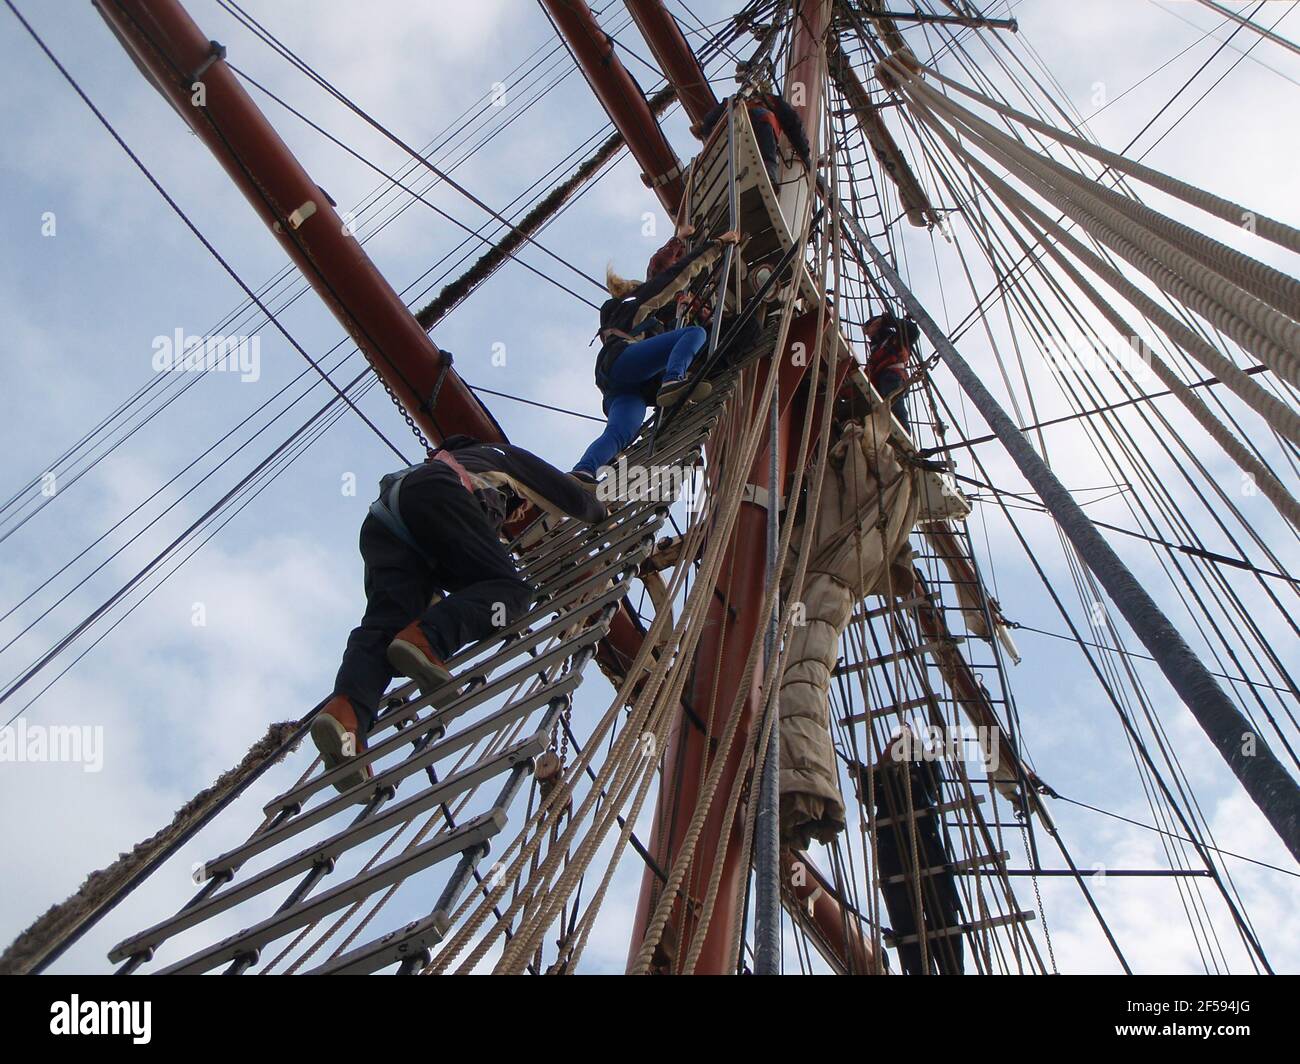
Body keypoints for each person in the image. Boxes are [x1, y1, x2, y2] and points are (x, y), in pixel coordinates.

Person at [315, 436, 607, 792]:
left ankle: (346, 715)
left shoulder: (443, 467)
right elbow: (562, 490)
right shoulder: (500, 455)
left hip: (386, 520)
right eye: (520, 506)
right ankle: (427, 641)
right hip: (436, 495)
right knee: (509, 592)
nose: (520, 513)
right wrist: (599, 510)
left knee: (385, 624)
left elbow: (441, 585)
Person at [570, 229, 741, 485]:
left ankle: (583, 472)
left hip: (625, 388)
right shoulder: (633, 305)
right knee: (694, 335)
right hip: (624, 362)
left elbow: (663, 343)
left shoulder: (647, 325)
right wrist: (715, 246)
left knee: (620, 433)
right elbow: (670, 278)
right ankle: (674, 381)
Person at [694, 86, 812, 187]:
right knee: (767, 154)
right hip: (762, 124)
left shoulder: (738, 99)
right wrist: (805, 155)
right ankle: (769, 178)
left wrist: (704, 131)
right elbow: (793, 123)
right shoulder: (772, 101)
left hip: (738, 131)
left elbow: (712, 117)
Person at [864, 310, 920, 433]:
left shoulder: (894, 337)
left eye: (869, 327)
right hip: (877, 381)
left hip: (892, 375)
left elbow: (913, 332)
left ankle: (902, 432)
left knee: (893, 404)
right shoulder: (875, 347)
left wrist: (889, 321)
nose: (867, 332)